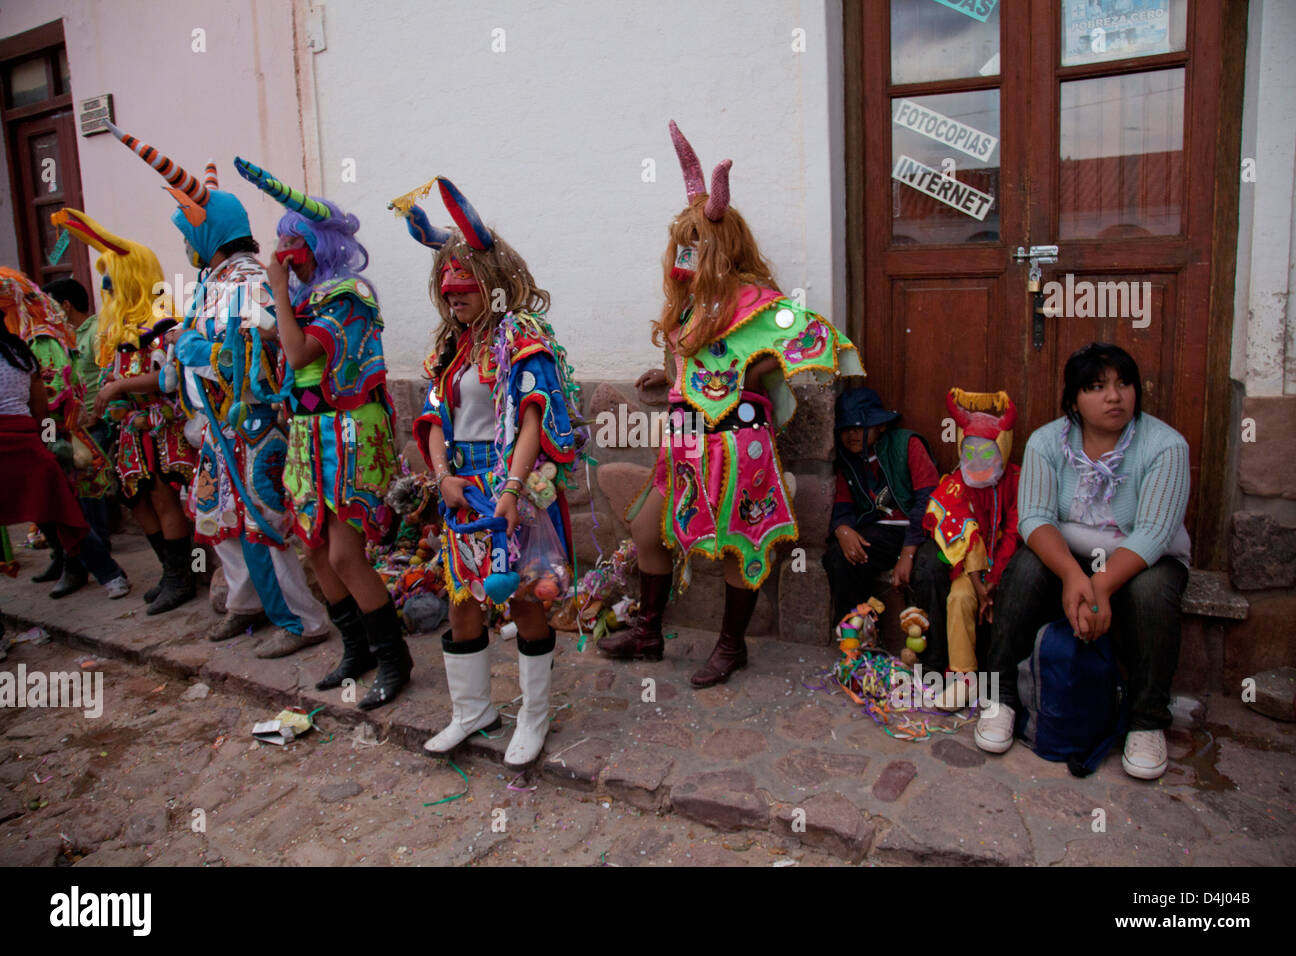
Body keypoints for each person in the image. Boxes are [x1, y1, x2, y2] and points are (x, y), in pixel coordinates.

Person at [598, 121, 863, 687]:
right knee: (649, 528)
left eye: (695, 244)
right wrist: (670, 372)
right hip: (686, 442)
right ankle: (648, 634)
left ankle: (730, 645)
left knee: (740, 542)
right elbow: (696, 360)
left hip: (740, 445)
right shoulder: (690, 308)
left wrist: (751, 367)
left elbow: (810, 339)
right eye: (682, 244)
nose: (685, 254)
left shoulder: (758, 302)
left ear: (721, 245)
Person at [103, 120, 330, 652]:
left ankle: (303, 622)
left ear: (208, 233)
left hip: (253, 428)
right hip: (213, 433)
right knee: (223, 521)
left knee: (262, 526)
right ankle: (247, 605)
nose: (183, 244)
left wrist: (208, 355)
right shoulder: (212, 285)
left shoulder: (251, 280)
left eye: (187, 235)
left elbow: (273, 350)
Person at [402, 176, 582, 766]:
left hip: (514, 488)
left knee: (526, 600)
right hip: (461, 489)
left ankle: (532, 718)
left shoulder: (521, 338)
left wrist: (510, 489)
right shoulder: (449, 349)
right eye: (447, 286)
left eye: (466, 284)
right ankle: (471, 711)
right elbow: (432, 416)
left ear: (493, 284)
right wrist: (440, 476)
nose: (454, 294)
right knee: (462, 600)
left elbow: (533, 416)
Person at [974, 343, 1191, 781]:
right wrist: (1074, 576)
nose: (1115, 397)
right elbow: (1035, 518)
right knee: (1024, 570)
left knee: (1153, 592)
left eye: (1123, 384)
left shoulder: (1165, 446)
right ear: (1074, 400)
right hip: (1067, 558)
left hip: (1141, 562)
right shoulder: (1046, 442)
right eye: (1097, 387)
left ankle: (1147, 720)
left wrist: (1103, 587)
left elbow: (1153, 532)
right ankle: (1001, 698)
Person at [237, 156, 408, 708]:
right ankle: (356, 650)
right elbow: (285, 360)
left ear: (313, 246)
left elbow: (299, 350)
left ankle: (393, 657)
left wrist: (279, 295)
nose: (281, 257)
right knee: (312, 546)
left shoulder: (348, 296)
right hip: (309, 436)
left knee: (343, 554)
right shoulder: (307, 300)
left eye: (289, 245)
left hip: (348, 434)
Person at [56, 208, 199, 613]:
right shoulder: (118, 329)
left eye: (113, 284)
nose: (107, 291)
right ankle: (169, 570)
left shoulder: (161, 322)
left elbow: (167, 378)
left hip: (160, 426)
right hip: (131, 430)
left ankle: (181, 578)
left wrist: (118, 386)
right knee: (137, 501)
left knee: (163, 498)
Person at [0, 268, 125, 599]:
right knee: (60, 514)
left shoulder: (38, 340)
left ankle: (89, 569)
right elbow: (40, 406)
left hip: (44, 435)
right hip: (33, 438)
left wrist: (52, 441)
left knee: (70, 512)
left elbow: (53, 396)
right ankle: (96, 571)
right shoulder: (20, 350)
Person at [921, 389, 1020, 709]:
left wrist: (994, 582)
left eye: (986, 453)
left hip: (1011, 570)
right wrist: (978, 585)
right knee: (959, 597)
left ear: (1002, 450)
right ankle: (964, 677)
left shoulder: (1017, 481)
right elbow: (960, 534)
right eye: (969, 452)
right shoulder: (956, 482)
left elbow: (1016, 532)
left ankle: (1009, 682)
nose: (976, 461)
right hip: (970, 571)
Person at [822, 386, 940, 624]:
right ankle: (856, 633)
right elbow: (842, 504)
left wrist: (907, 554)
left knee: (931, 571)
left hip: (917, 530)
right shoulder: (848, 460)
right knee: (838, 555)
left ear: (881, 426)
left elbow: (927, 501)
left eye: (860, 427)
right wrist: (842, 530)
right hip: (879, 532)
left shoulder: (907, 444)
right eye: (846, 428)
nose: (852, 435)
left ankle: (933, 658)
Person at [42, 276, 115, 546]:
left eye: (50, 304)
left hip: (99, 421)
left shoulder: (97, 331)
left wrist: (99, 414)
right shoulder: (60, 337)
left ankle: (98, 541)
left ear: (66, 305)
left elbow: (108, 374)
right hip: (71, 423)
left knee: (86, 475)